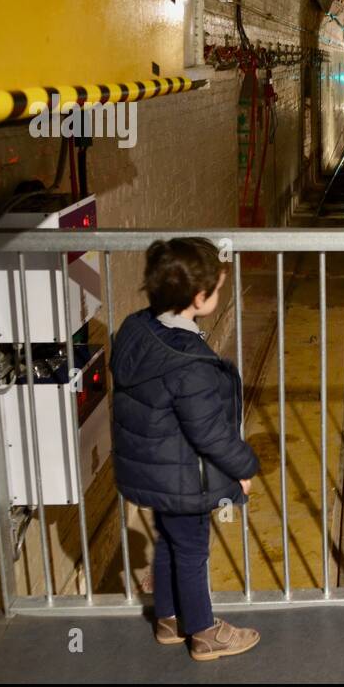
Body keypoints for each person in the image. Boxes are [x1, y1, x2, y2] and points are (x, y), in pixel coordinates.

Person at [110, 238, 261, 661]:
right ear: (199, 297)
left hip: (155, 472)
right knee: (192, 550)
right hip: (180, 475)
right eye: (217, 289)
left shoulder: (137, 329)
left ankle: (169, 619)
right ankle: (204, 632)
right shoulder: (189, 365)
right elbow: (210, 433)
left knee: (169, 540)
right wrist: (244, 469)